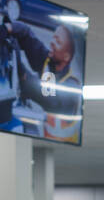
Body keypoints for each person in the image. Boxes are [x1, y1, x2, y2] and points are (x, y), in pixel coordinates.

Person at [1, 12, 82, 142]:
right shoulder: (50, 64)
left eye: (58, 41)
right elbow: (27, 35)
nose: (52, 42)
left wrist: (21, 70)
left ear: (66, 57)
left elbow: (42, 94)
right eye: (53, 38)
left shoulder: (71, 86)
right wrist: (8, 28)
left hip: (61, 141)